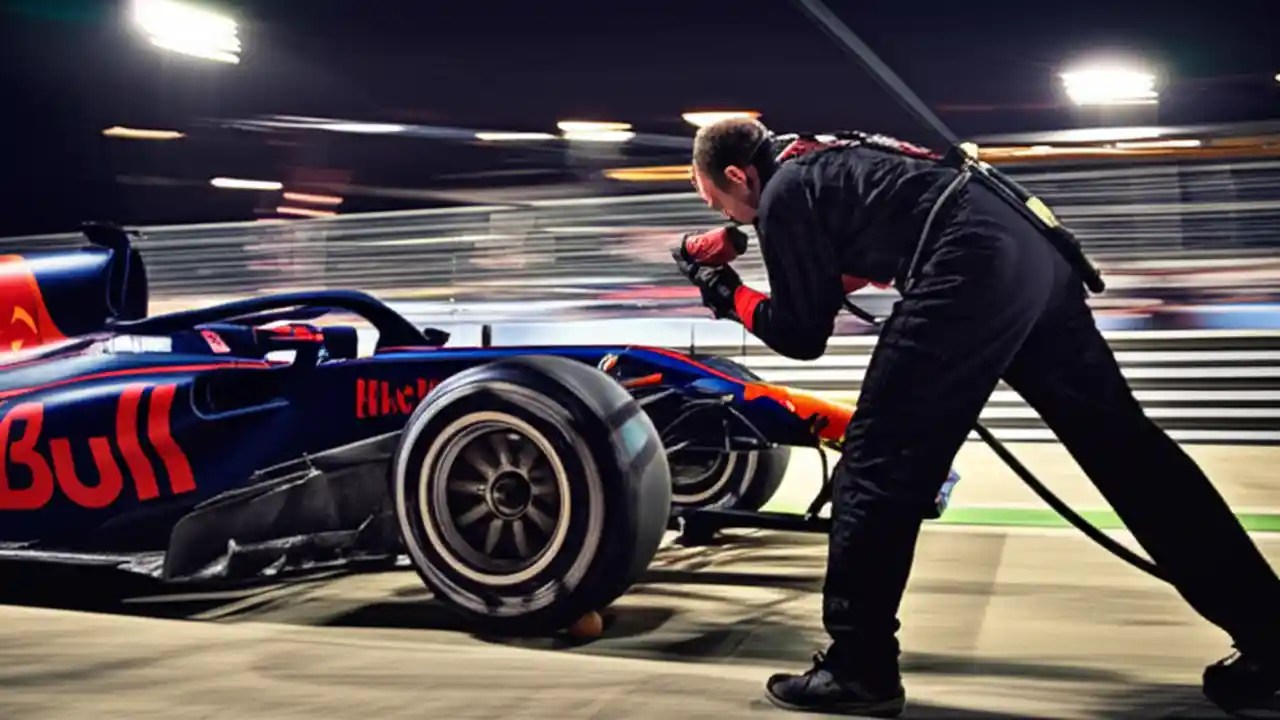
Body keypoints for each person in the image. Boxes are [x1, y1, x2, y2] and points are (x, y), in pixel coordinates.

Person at [672, 117, 1280, 717]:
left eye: (715, 199)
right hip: (1036, 255)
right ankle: (1271, 641)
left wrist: (722, 291)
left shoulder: (782, 192)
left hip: (970, 260)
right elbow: (842, 271)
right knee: (1132, 457)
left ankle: (858, 668)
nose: (724, 216)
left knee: (878, 464)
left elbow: (801, 333)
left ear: (736, 174)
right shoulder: (826, 157)